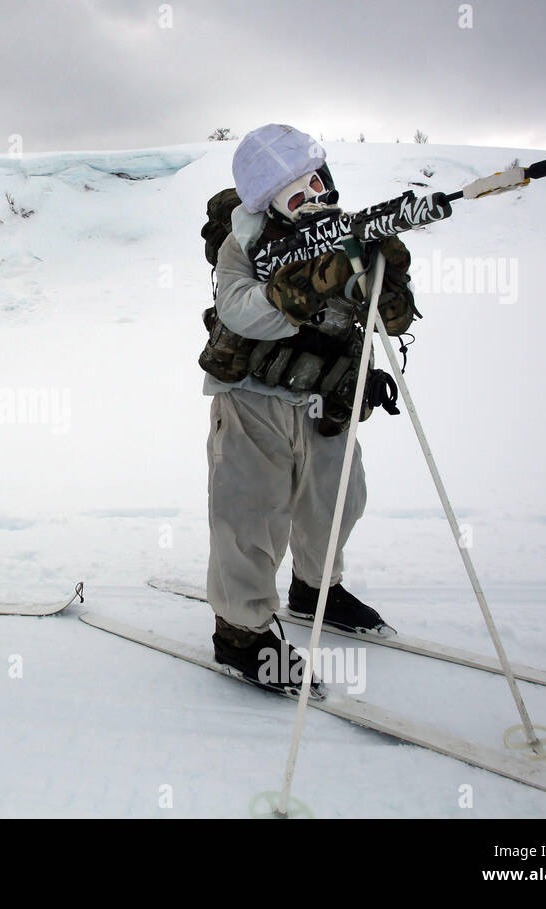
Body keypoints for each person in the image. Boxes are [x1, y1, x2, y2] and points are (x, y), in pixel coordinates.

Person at [199, 125, 417, 694]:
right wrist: (306, 287)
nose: (315, 197)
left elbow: (383, 318)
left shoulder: (349, 236)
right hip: (252, 399)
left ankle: (314, 589)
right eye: (296, 193)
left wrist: (388, 285)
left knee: (339, 501)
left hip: (328, 396)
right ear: (267, 202)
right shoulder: (241, 245)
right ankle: (241, 632)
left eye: (317, 182)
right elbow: (243, 312)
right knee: (250, 515)